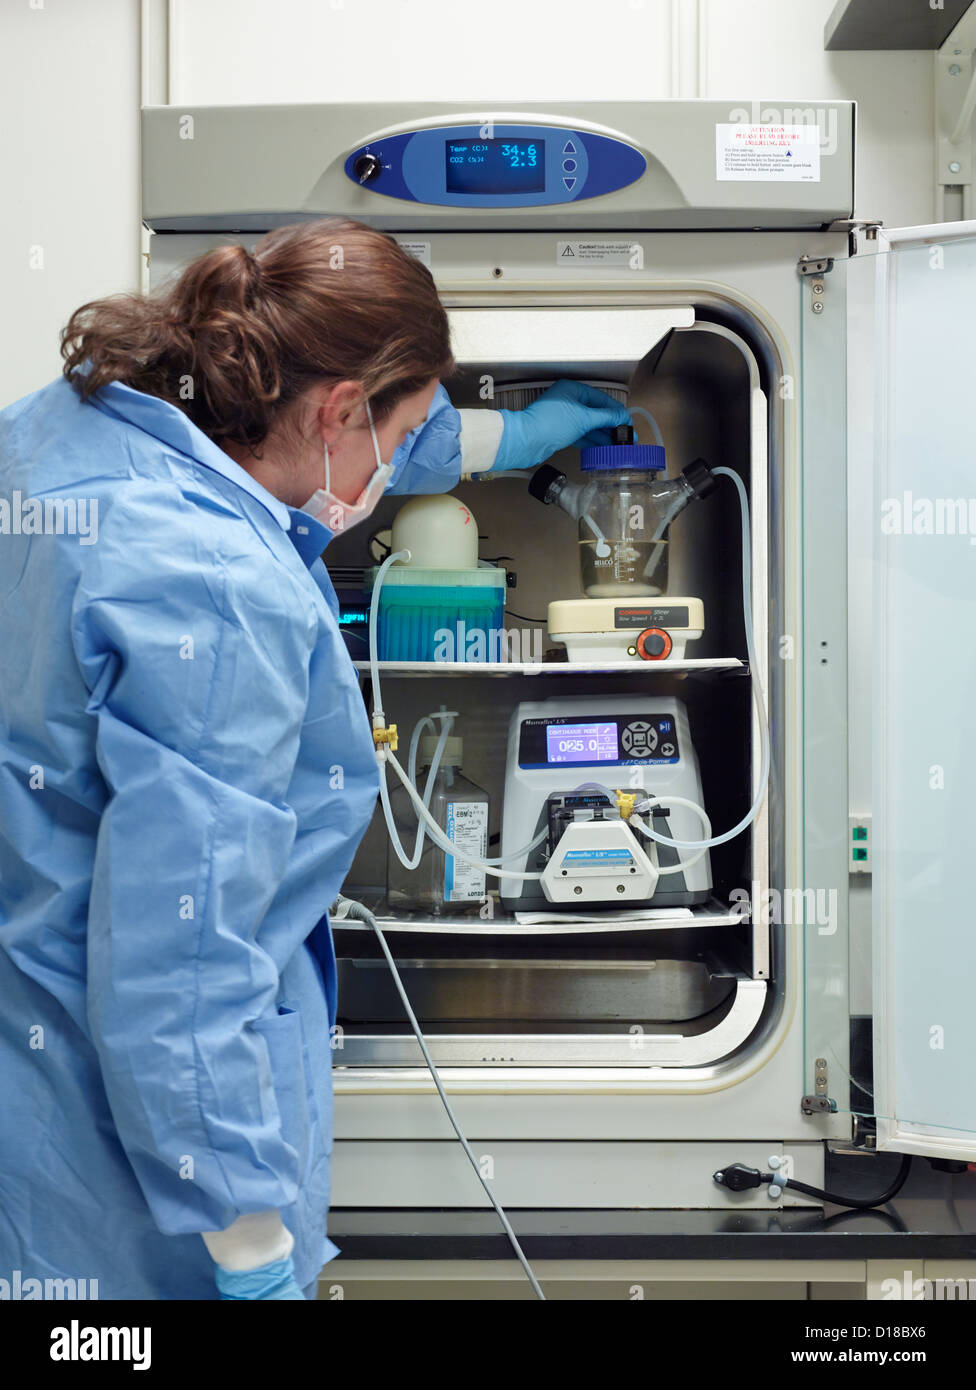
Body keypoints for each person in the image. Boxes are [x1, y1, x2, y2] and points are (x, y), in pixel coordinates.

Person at [0, 218, 630, 1300]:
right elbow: (181, 969)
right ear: (339, 408)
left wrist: (511, 436)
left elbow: (373, 439)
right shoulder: (216, 591)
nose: (396, 469)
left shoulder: (65, 438)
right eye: (404, 431)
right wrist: (252, 1249)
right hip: (137, 1176)